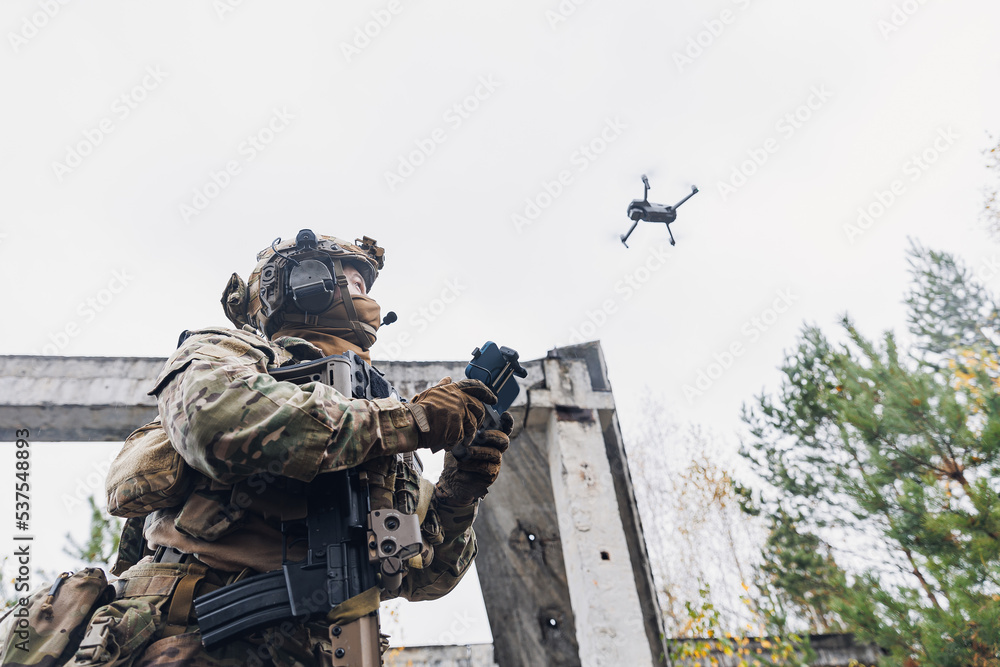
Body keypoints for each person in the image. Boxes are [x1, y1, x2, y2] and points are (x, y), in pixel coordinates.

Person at [94, 231, 511, 666]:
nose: (362, 287)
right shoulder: (228, 352)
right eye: (350, 276)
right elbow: (218, 423)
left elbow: (427, 578)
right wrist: (412, 422)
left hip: (327, 647)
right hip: (196, 634)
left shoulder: (380, 423)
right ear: (303, 283)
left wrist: (459, 491)